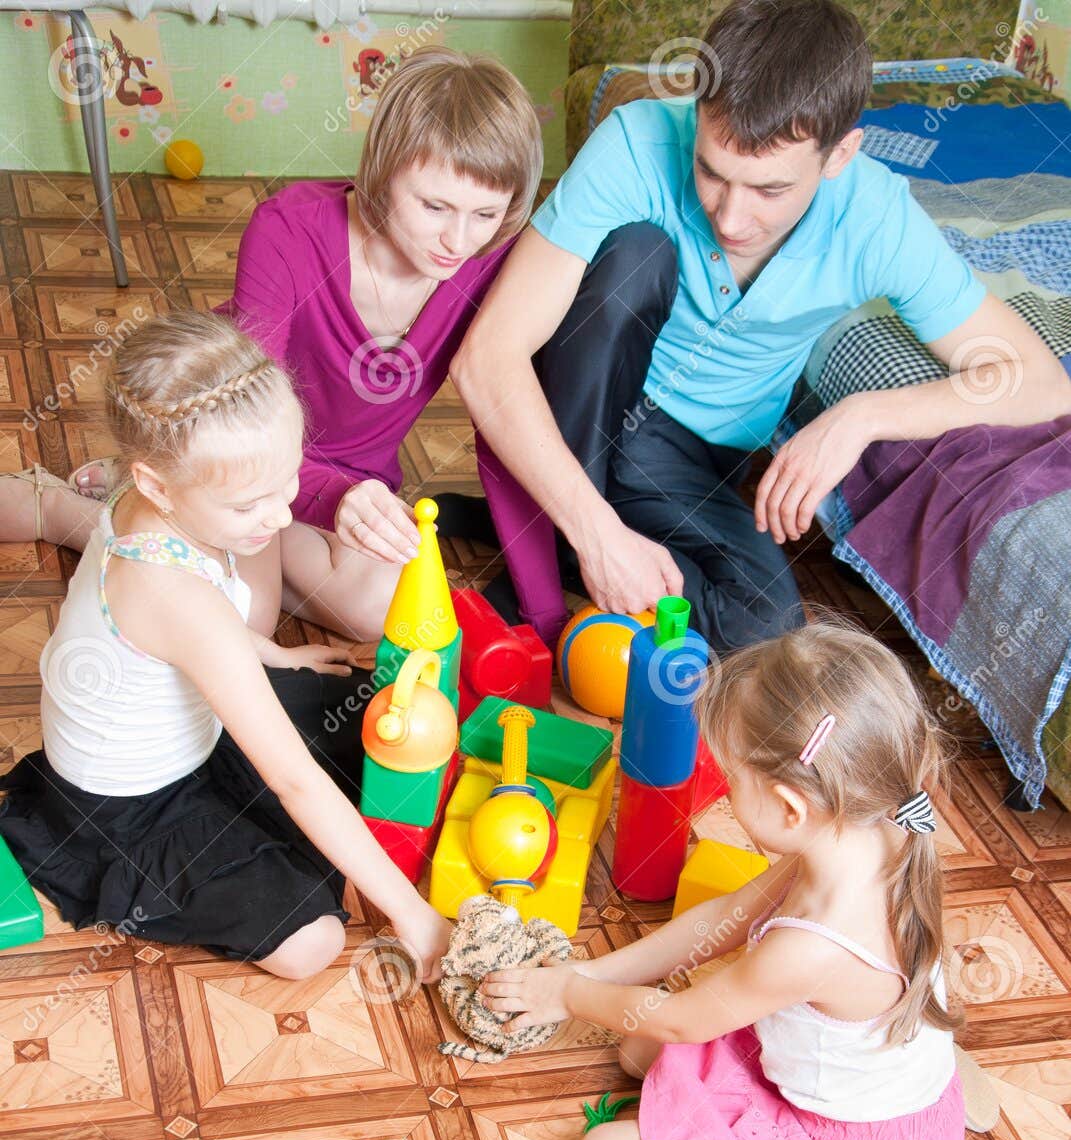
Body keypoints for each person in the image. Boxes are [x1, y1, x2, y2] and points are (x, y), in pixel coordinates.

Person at [452, 0, 1071, 652]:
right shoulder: (635, 141)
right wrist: (597, 533)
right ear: (696, 117)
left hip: (691, 458)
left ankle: (542, 525)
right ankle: (563, 536)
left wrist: (860, 416)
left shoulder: (876, 219)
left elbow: (1037, 383)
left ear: (839, 156)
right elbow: (485, 357)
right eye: (711, 173)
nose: (730, 218)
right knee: (638, 252)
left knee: (765, 628)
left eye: (768, 190)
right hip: (588, 404)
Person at [480, 620, 967, 1140]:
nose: (723, 792)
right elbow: (725, 922)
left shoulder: (810, 948)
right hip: (878, 1084)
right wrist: (583, 974)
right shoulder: (874, 824)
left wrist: (568, 997)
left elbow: (675, 1021)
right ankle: (924, 1062)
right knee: (641, 1049)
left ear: (785, 804)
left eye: (729, 778)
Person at [0, 311, 450, 982]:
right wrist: (412, 913)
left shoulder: (141, 502)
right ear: (156, 483)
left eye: (289, 481)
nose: (277, 517)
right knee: (311, 943)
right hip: (131, 811)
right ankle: (105, 882)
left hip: (194, 726)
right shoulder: (174, 592)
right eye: (249, 505)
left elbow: (187, 635)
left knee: (368, 712)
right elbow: (291, 779)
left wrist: (272, 655)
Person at [211, 47, 564, 643]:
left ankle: (228, 544)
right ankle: (89, 511)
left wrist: (544, 616)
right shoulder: (288, 230)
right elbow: (247, 426)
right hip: (245, 454)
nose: (458, 240)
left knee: (385, 611)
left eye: (485, 213)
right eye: (434, 206)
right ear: (383, 166)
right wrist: (329, 498)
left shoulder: (492, 265)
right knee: (245, 613)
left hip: (352, 486)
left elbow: (505, 433)